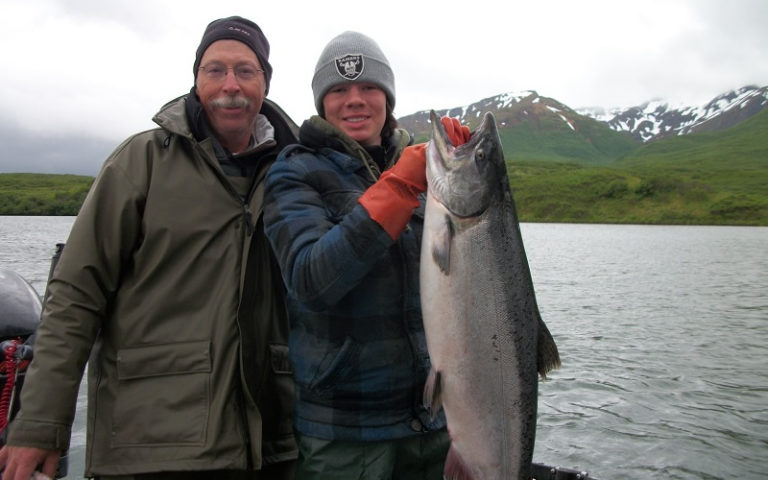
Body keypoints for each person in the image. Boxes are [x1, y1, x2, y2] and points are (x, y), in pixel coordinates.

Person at [0, 16, 298, 480]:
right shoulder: (140, 163)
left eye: (246, 70)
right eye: (214, 70)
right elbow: (76, 296)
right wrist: (40, 424)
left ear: (265, 80)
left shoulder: (294, 169)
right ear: (196, 79)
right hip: (152, 444)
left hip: (271, 444)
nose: (230, 85)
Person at [262, 31, 471, 479]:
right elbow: (311, 280)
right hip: (345, 434)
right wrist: (398, 187)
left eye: (368, 88)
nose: (354, 100)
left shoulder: (429, 173)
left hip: (435, 421)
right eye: (338, 90)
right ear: (322, 103)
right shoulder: (294, 172)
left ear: (387, 98)